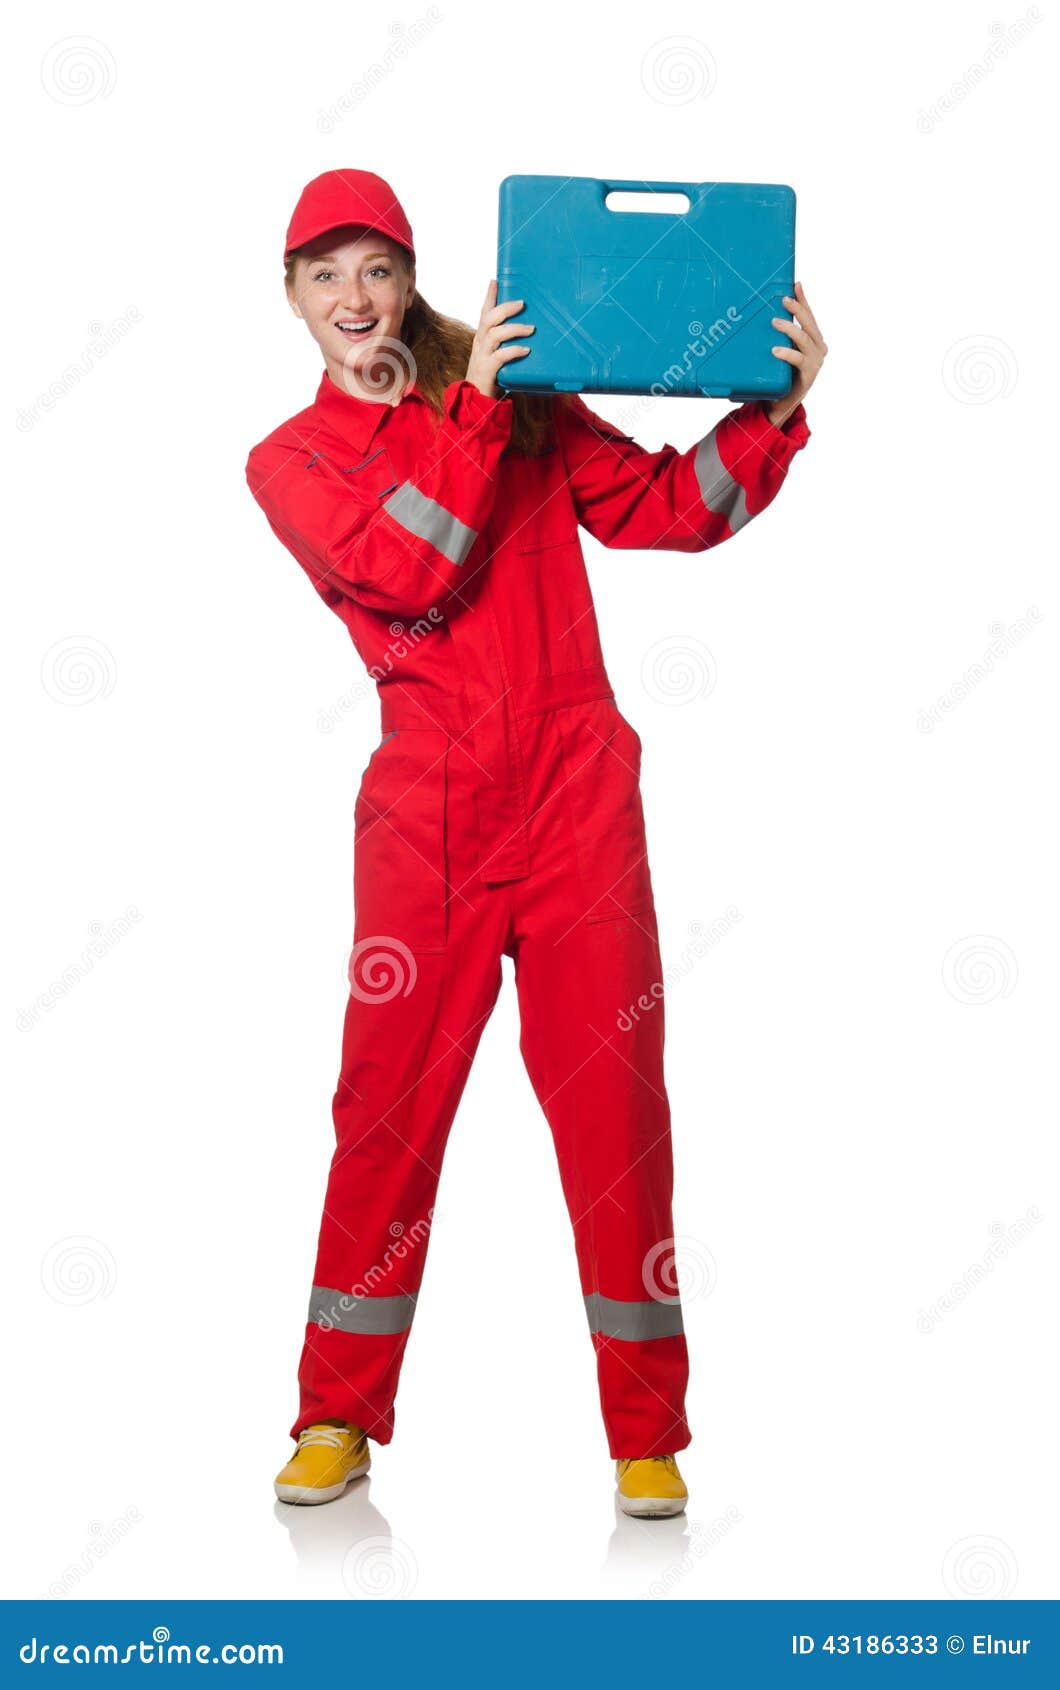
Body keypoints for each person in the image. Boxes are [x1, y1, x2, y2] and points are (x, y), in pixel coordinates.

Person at [245, 169, 826, 1519]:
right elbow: (410, 569)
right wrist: (479, 411)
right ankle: (336, 1412)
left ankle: (647, 1432)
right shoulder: (293, 460)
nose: (355, 296)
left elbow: (667, 511)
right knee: (385, 1113)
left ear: (411, 276)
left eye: (376, 267)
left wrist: (775, 411)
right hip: (426, 819)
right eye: (325, 273)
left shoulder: (524, 401)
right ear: (291, 298)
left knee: (617, 1108)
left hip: (576, 799)